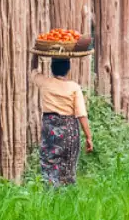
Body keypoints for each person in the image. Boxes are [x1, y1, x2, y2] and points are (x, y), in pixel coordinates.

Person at [31, 56, 93, 185]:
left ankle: (50, 198)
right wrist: (88, 137)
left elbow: (33, 71)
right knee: (69, 169)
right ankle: (68, 200)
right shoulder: (74, 87)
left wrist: (35, 56)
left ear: (51, 68)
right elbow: (81, 114)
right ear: (68, 69)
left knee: (49, 165)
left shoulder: (45, 83)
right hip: (69, 131)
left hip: (50, 131)